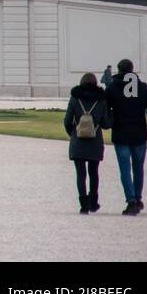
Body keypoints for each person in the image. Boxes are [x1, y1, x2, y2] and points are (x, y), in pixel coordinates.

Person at [103, 58, 147, 215]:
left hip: (121, 133)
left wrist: (108, 122)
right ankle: (138, 197)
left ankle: (131, 201)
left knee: (125, 169)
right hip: (139, 133)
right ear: (132, 69)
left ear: (118, 70)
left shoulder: (113, 87)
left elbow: (105, 110)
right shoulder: (142, 87)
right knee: (138, 168)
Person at [63, 72, 110, 214]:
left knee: (80, 174)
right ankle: (93, 202)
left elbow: (67, 121)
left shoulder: (75, 98)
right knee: (93, 173)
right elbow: (106, 123)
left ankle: (83, 204)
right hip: (95, 142)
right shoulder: (101, 100)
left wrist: (73, 134)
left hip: (78, 141)